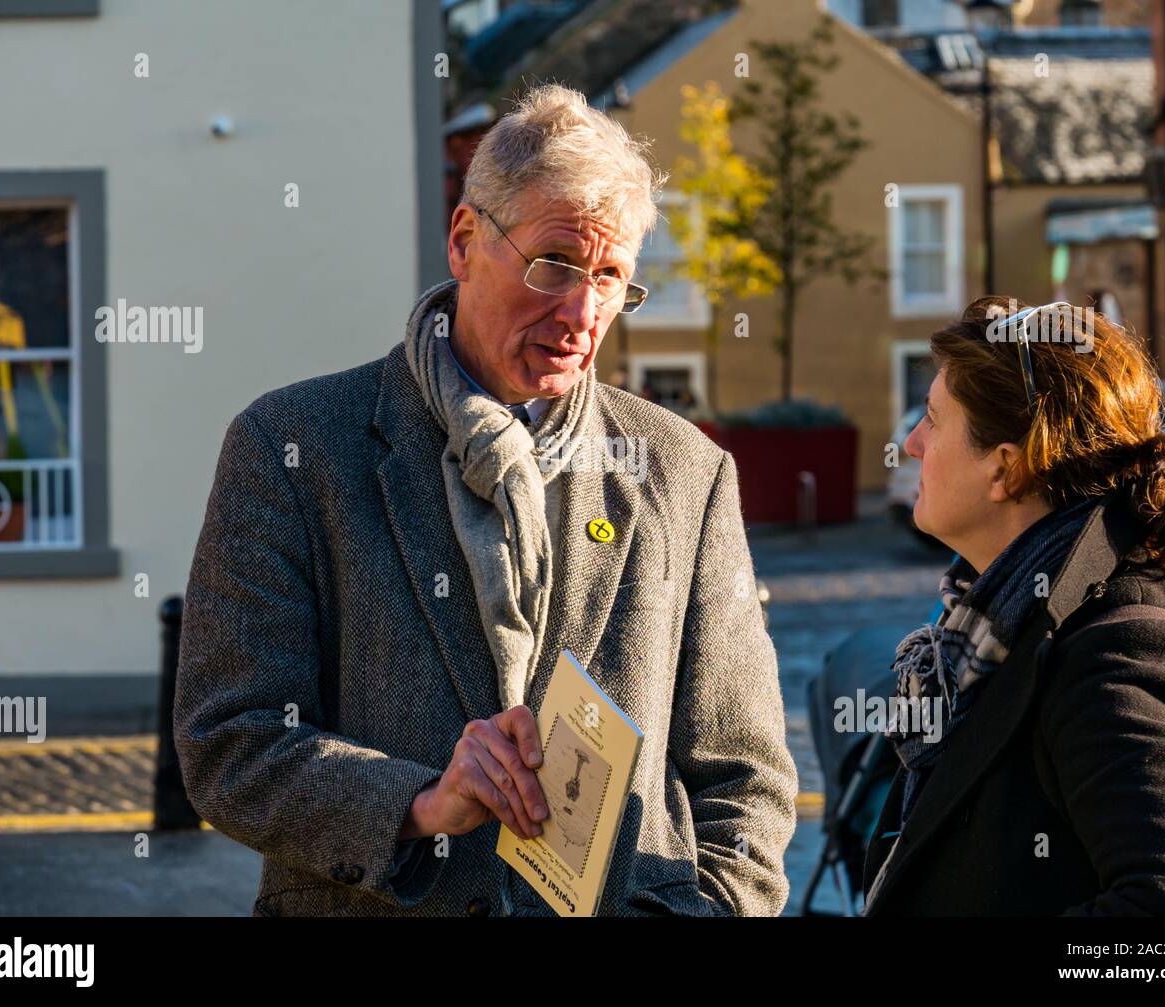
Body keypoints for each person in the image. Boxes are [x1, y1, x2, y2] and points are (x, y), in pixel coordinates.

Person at [174, 83, 798, 917]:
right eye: (555, 265)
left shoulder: (684, 472)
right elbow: (230, 742)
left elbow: (746, 779)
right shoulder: (291, 447)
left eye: (611, 276)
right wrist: (420, 800)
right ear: (465, 240)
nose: (582, 312)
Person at [862, 296, 1165, 916]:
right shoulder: (1001, 619)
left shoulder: (1114, 653)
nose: (910, 444)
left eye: (933, 420)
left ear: (1005, 470)